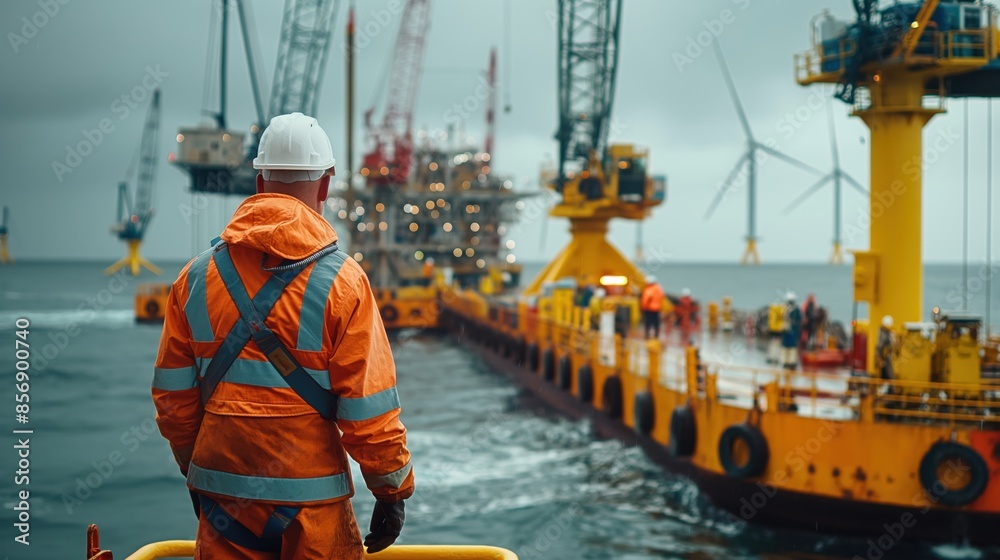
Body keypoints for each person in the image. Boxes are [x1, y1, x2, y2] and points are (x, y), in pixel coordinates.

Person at [153, 113, 413, 560]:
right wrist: (391, 491)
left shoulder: (195, 278)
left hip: (222, 505)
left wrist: (195, 470)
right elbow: (369, 412)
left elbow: (173, 401)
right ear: (326, 185)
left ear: (258, 183)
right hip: (313, 512)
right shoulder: (344, 283)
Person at [780, 292, 801, 370]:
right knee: (792, 347)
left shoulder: (784, 308)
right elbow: (799, 319)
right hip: (793, 331)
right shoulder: (796, 309)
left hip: (786, 330)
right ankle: (791, 362)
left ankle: (785, 362)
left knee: (786, 347)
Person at [640, 275, 665, 340]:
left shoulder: (649, 289)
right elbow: (662, 296)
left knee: (648, 323)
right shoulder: (659, 288)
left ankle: (647, 335)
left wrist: (643, 307)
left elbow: (646, 299)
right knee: (656, 323)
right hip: (657, 309)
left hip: (649, 309)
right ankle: (656, 335)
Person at [876, 315, 896, 380]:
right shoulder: (886, 334)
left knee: (888, 373)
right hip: (886, 359)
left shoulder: (886, 333)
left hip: (887, 358)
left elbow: (881, 345)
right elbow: (881, 346)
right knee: (888, 373)